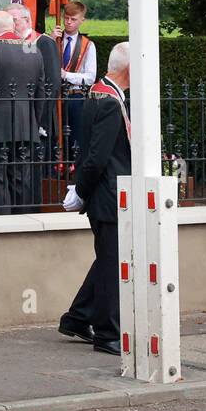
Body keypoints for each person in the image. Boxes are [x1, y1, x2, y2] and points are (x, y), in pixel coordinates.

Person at [59, 43, 130, 356]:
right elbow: (98, 157)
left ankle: (77, 317)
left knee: (107, 260)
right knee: (112, 265)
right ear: (130, 69)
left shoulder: (101, 92)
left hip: (105, 193)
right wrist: (82, 192)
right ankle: (106, 333)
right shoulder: (110, 100)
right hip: (108, 195)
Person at [0, 9, 45, 215]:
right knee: (21, 177)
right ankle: (22, 222)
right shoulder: (33, 49)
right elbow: (41, 91)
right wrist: (34, 120)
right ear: (13, 26)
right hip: (26, 124)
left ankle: (1, 224)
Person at [9, 2, 60, 212]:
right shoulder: (11, 45)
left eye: (14, 20)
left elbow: (52, 83)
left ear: (27, 20)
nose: (11, 25)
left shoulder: (44, 43)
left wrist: (39, 119)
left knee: (33, 173)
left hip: (39, 119)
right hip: (17, 119)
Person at [54, 0, 97, 160]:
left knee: (75, 139)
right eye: (66, 18)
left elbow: (90, 77)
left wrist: (67, 75)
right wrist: (50, 42)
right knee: (54, 137)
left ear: (82, 20)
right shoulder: (54, 40)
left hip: (75, 96)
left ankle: (73, 173)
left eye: (73, 19)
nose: (69, 22)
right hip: (55, 95)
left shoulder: (88, 45)